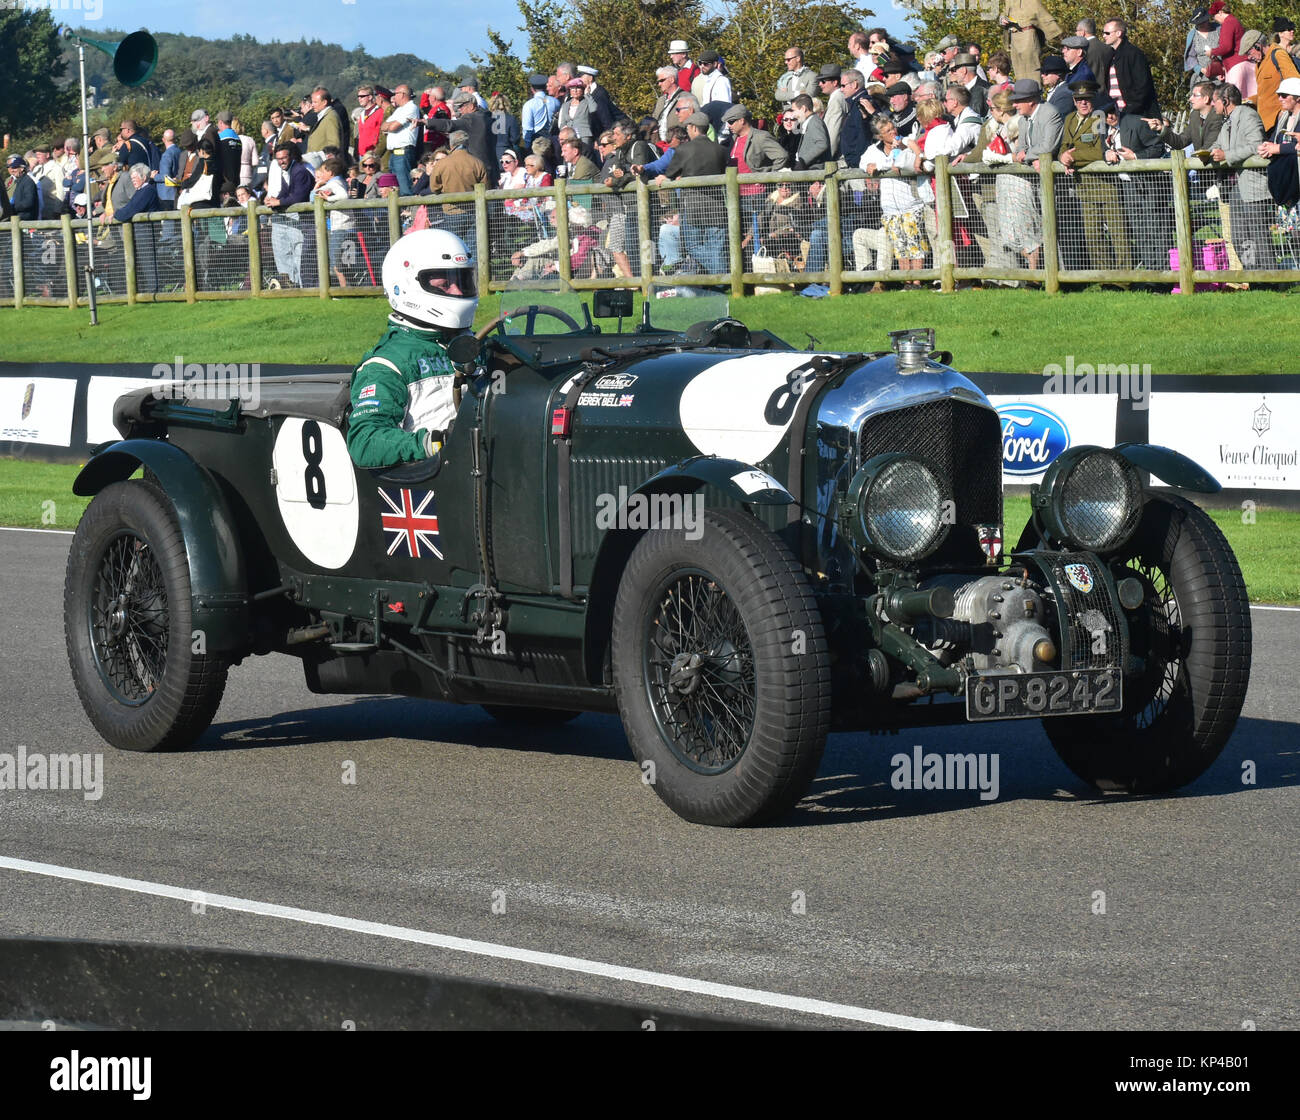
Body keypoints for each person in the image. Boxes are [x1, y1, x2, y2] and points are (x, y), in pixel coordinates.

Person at [347, 228, 478, 470]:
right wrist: (433, 443)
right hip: (441, 483)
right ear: (405, 285)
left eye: (462, 280)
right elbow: (364, 442)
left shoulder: (475, 344)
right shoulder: (386, 365)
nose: (458, 291)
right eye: (444, 283)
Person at [1211, 81, 1276, 268]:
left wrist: (1227, 156)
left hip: (1252, 184)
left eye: (1216, 101)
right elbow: (1218, 145)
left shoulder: (1248, 115)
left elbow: (1256, 144)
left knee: (1258, 234)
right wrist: (1208, 154)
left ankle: (1271, 277)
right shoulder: (1226, 123)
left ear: (1225, 100)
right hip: (1234, 187)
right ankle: (1253, 275)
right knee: (1239, 236)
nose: (1214, 105)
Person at [1102, 18, 1159, 117]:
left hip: (1135, 114)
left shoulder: (1134, 54)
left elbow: (1143, 86)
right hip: (1115, 114)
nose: (1104, 36)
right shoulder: (1109, 56)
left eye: (1107, 33)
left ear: (1118, 33)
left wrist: (1130, 109)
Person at [1000, 0, 1063, 83]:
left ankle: (1034, 93)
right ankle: (1022, 93)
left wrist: (1057, 35)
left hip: (1027, 34)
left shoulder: (1032, 1)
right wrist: (1002, 19)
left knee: (1032, 72)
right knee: (1018, 71)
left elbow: (1043, 15)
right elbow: (1004, 13)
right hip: (1013, 36)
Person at [1259, 21, 1300, 130]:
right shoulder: (1278, 53)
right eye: (1288, 29)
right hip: (1280, 109)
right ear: (1280, 33)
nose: (1292, 31)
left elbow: (1293, 80)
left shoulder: (1289, 50)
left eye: (1292, 29)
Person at [381, 85, 420, 195]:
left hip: (403, 151)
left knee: (404, 186)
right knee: (395, 187)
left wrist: (390, 126)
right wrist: (390, 125)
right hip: (395, 153)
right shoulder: (399, 110)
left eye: (396, 94)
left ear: (403, 94)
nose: (394, 97)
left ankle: (408, 210)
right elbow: (383, 126)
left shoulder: (411, 108)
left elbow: (392, 127)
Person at [1207, 1, 1245, 80]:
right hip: (1239, 63)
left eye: (1214, 16)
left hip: (1235, 64)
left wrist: (1212, 51)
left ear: (1220, 12)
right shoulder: (1233, 20)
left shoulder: (1228, 23)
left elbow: (1226, 47)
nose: (1214, 19)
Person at [791, 94, 830, 169]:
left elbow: (822, 144)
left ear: (803, 108)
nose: (793, 115)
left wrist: (803, 161)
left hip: (816, 172)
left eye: (794, 110)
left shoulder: (814, 122)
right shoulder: (810, 121)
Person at [488, 93, 521, 162]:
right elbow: (515, 139)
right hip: (507, 156)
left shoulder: (486, 119)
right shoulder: (511, 119)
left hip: (490, 155)